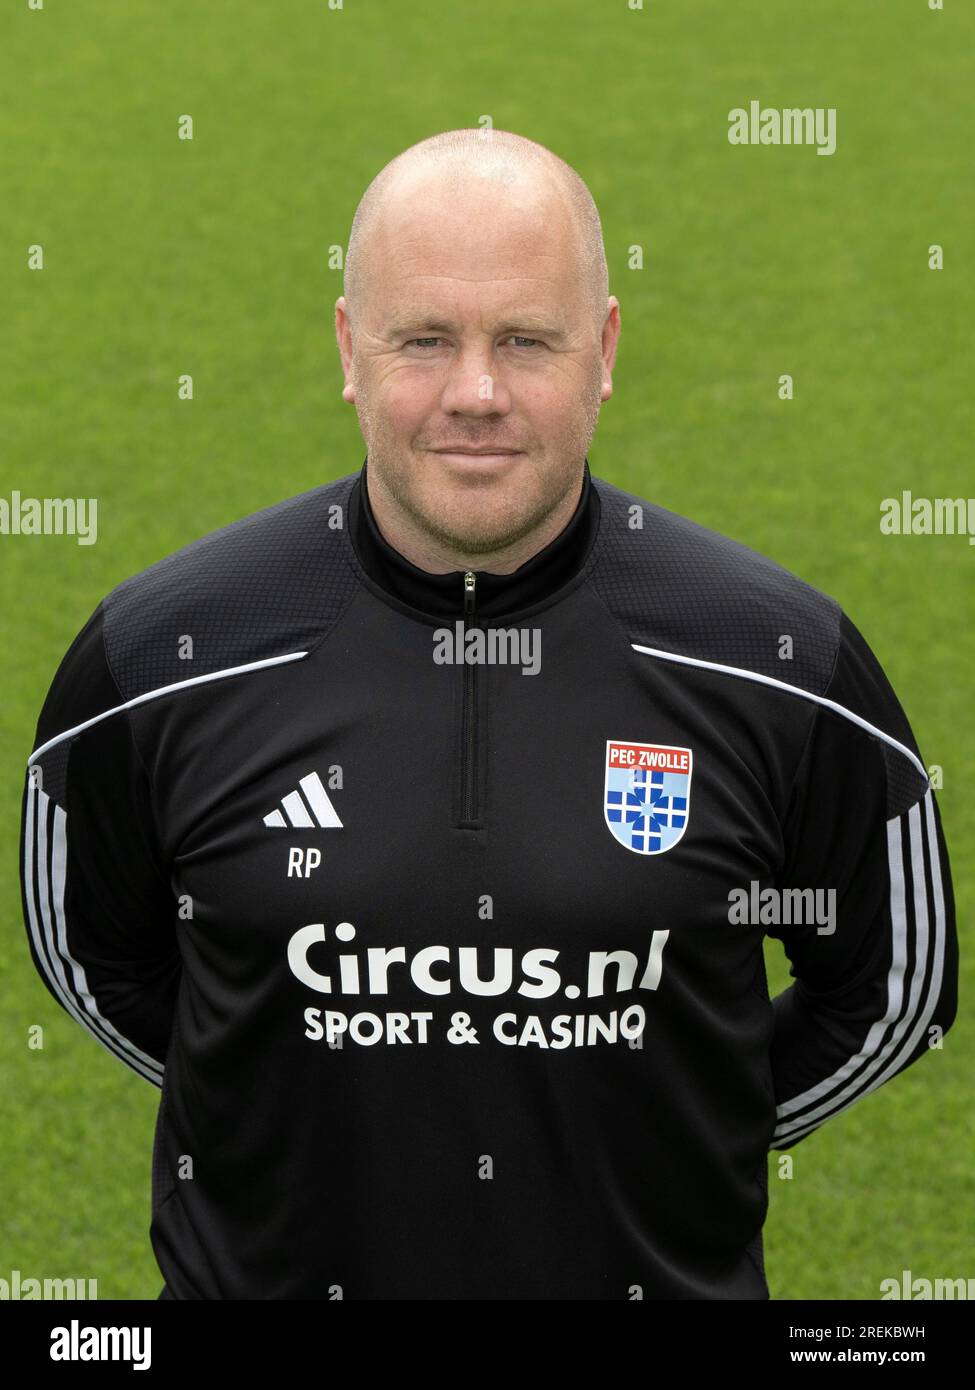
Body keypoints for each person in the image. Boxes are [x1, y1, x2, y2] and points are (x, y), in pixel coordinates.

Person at [19, 128, 957, 1300]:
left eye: (525, 339)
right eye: (424, 339)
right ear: (349, 348)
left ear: (604, 348)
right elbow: (92, 950)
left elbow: (892, 985)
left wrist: (684, 1112)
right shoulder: (160, 659)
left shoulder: (780, 663)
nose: (475, 393)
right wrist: (273, 1084)